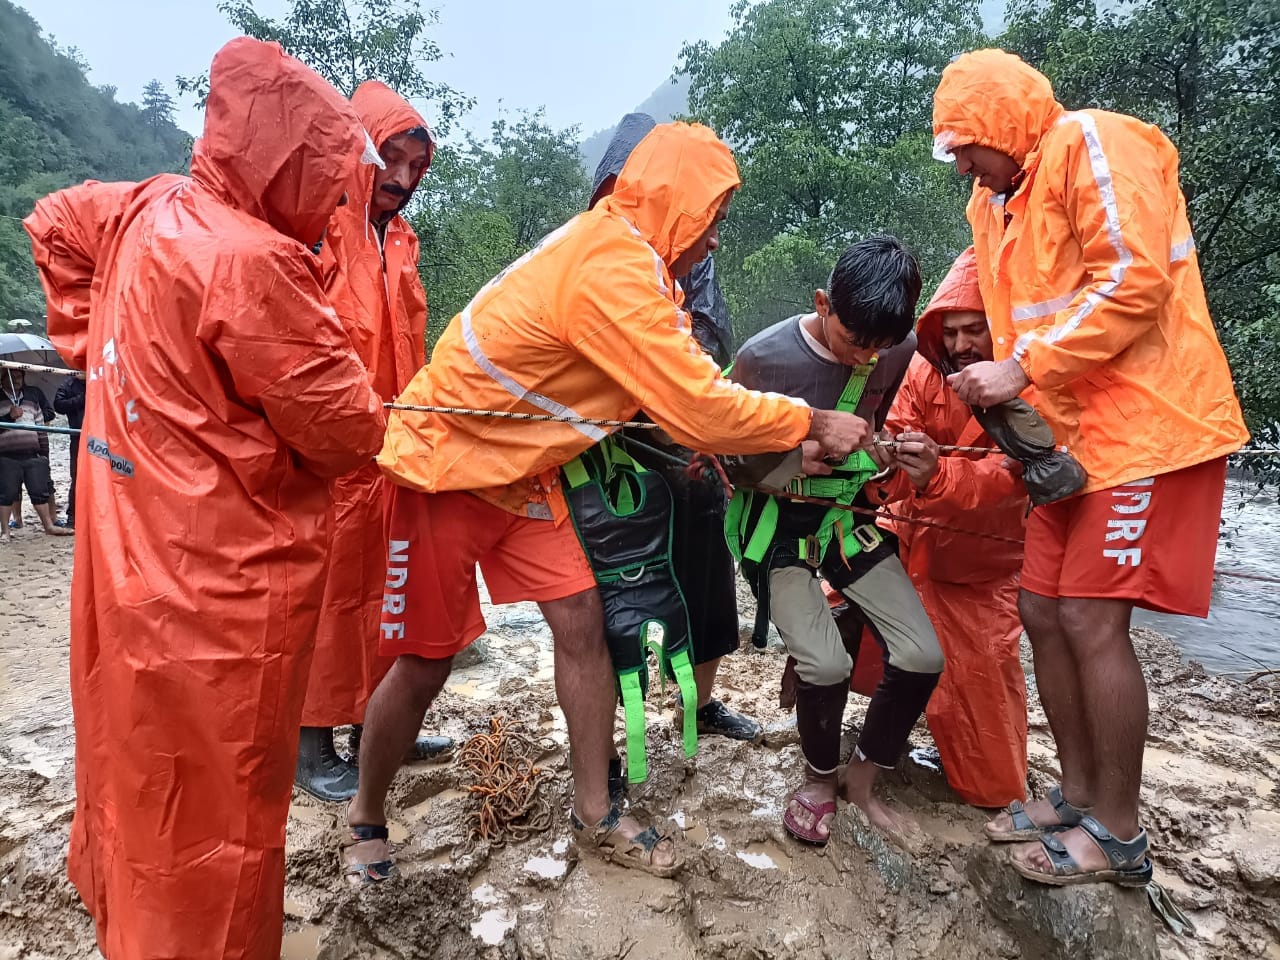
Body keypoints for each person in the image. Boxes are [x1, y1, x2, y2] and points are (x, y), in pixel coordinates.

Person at [343, 121, 872, 882]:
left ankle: (596, 811)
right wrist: (810, 421)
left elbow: (674, 388)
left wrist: (744, 438)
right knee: (426, 663)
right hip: (447, 471)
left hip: (525, 472)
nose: (716, 241)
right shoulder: (613, 267)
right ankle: (365, 816)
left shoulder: (638, 264)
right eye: (713, 220)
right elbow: (697, 404)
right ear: (678, 207)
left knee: (581, 622)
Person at [24, 37, 386, 960]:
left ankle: (132, 935)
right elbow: (346, 431)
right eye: (326, 175)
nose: (334, 200)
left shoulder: (143, 209)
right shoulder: (253, 263)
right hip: (222, 597)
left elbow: (51, 221)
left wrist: (99, 349)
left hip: (127, 559)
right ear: (290, 160)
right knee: (218, 806)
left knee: (133, 771)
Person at [932, 49, 1249, 886]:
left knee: (1091, 622)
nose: (960, 162)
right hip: (1069, 446)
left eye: (966, 143)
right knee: (1041, 607)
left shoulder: (1090, 143)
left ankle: (1119, 835)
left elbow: (1137, 278)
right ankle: (1076, 797)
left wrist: (1020, 369)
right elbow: (1011, 309)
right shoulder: (990, 202)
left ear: (1006, 123)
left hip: (1151, 423)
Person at [724, 235, 942, 847]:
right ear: (823, 303)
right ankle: (820, 778)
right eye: (853, 342)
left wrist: (894, 452)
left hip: (844, 520)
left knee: (923, 655)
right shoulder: (762, 359)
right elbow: (721, 462)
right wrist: (799, 457)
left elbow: (876, 421)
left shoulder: (896, 350)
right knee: (825, 662)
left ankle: (864, 779)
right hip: (775, 527)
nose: (864, 357)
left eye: (878, 347)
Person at [295, 80, 452, 803]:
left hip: (391, 452)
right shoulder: (318, 228)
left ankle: (376, 728)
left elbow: (411, 349)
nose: (402, 179)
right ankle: (310, 745)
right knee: (326, 601)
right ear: (359, 150)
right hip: (326, 458)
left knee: (386, 592)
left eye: (417, 167)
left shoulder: (402, 241)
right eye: (391, 158)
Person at [590, 112, 761, 761]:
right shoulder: (594, 249)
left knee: (706, 575)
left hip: (682, 433)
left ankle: (701, 701)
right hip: (611, 446)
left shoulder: (691, 254)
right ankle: (611, 732)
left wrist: (675, 384)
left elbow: (708, 333)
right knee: (617, 589)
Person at [864, 248, 1029, 809]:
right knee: (835, 614)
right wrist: (886, 462)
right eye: (951, 331)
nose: (961, 345)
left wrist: (938, 473)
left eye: (974, 329)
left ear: (1000, 327)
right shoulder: (921, 366)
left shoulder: (1028, 384)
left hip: (978, 572)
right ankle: (855, 745)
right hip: (907, 539)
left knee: (991, 770)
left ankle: (987, 787)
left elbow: (1011, 481)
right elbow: (899, 431)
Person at [0, 367, 72, 538]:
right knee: (6, 493)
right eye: (11, 376)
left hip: (33, 454)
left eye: (19, 375)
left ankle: (49, 525)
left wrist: (43, 453)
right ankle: (6, 531)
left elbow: (40, 426)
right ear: (2, 378)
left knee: (40, 491)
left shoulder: (32, 396)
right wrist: (9, 417)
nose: (16, 379)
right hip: (7, 455)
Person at [53, 372, 85, 529]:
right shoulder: (69, 384)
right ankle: (73, 517)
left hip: (103, 435)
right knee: (77, 476)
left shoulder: (101, 378)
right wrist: (81, 399)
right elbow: (58, 405)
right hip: (78, 436)